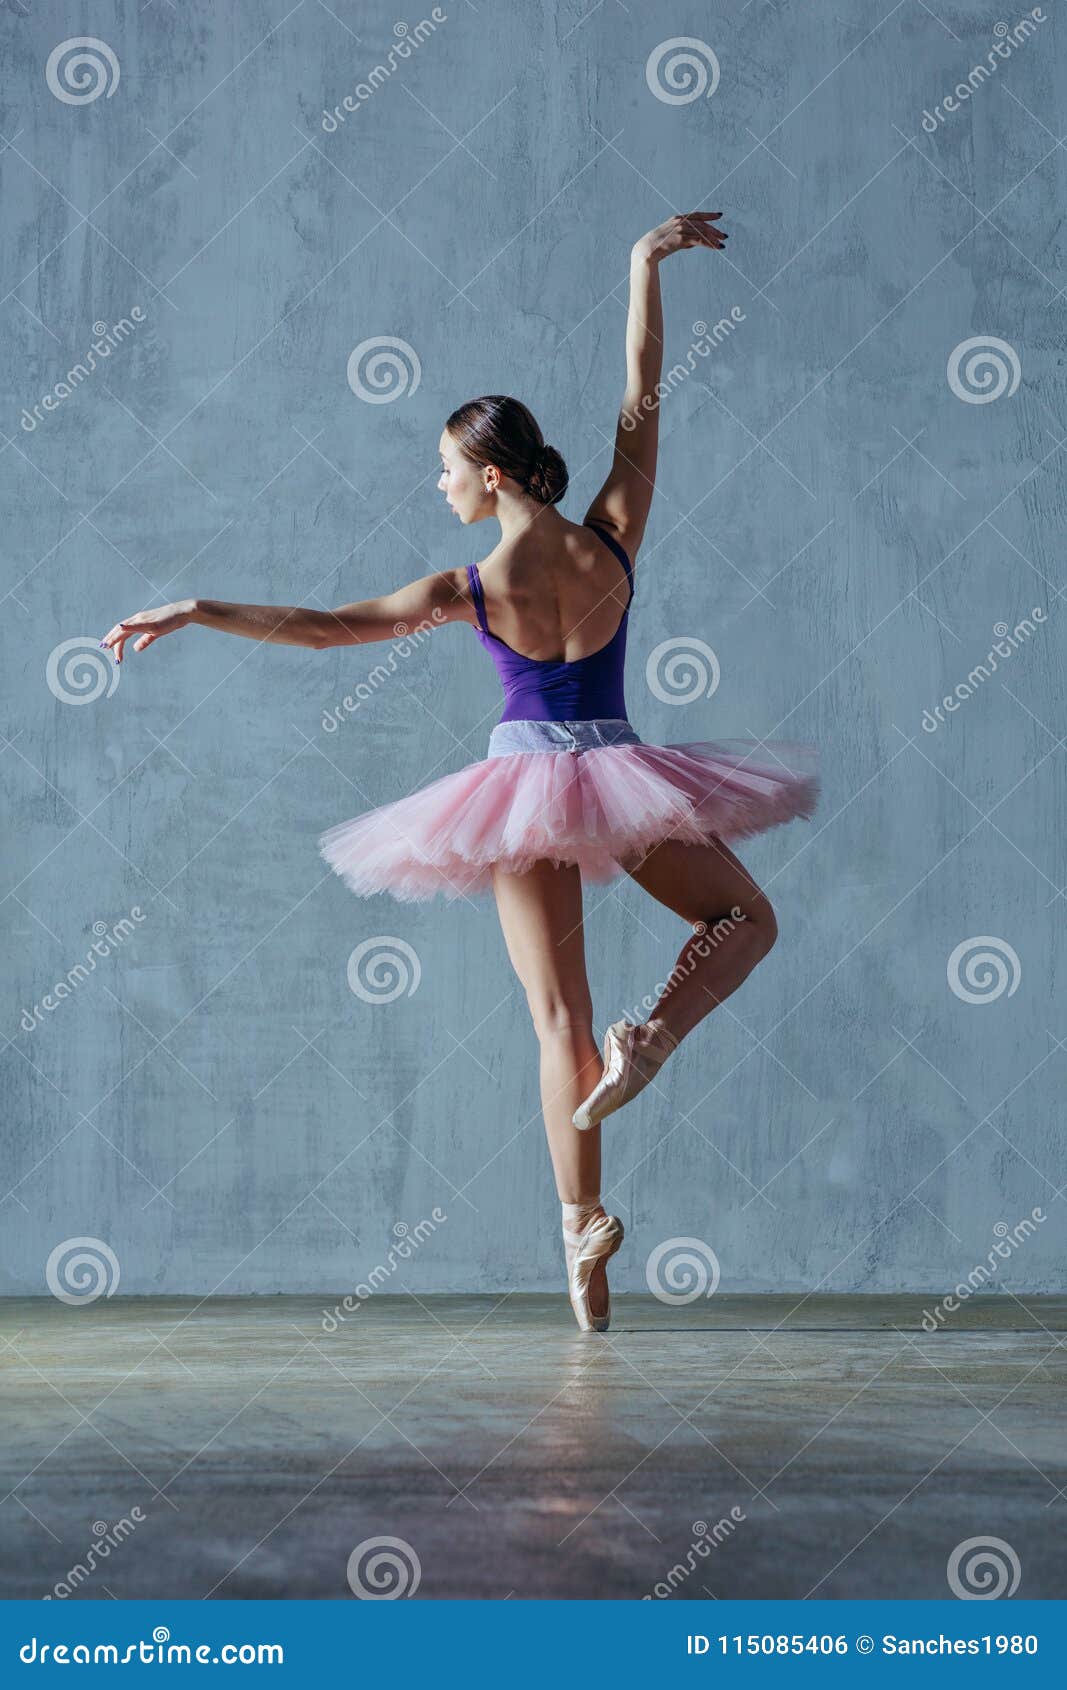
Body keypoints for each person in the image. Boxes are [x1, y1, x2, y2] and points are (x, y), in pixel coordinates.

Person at [101, 214, 818, 1335]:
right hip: (624, 768)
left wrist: (199, 606)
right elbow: (641, 390)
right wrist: (638, 264)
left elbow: (329, 628)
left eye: (443, 471)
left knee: (553, 1018)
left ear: (487, 475)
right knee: (744, 917)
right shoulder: (614, 537)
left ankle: (581, 1220)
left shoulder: (468, 585)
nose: (435, 485)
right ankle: (656, 1039)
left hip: (527, 787)